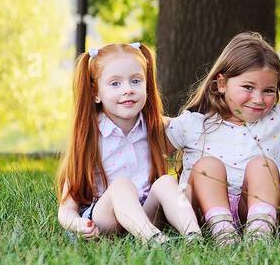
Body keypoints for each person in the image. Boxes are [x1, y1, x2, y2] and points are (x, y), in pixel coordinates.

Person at [168, 33, 280, 243]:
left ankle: (259, 235)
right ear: (222, 84)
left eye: (268, 91)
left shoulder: (276, 119)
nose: (258, 99)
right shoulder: (192, 124)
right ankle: (223, 232)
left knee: (261, 165)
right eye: (248, 87)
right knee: (207, 166)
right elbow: (147, 134)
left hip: (261, 209)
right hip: (201, 214)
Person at [56, 42, 199, 243]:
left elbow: (194, 128)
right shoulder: (88, 138)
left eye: (136, 81)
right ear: (95, 93)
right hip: (106, 220)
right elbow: (66, 210)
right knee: (122, 185)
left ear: (147, 85)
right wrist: (78, 225)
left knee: (167, 181)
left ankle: (193, 236)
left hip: (147, 213)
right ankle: (154, 240)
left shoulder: (154, 128)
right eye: (115, 83)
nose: (128, 90)